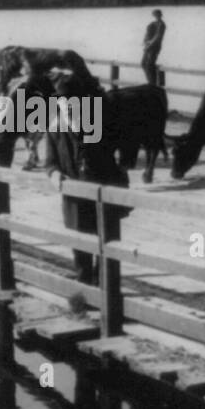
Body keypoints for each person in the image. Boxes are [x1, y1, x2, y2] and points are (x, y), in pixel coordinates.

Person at [42, 70, 131, 285]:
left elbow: (122, 149)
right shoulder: (55, 130)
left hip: (102, 196)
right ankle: (84, 289)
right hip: (75, 199)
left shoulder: (101, 123)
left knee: (107, 247)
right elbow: (50, 162)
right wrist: (53, 174)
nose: (68, 107)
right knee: (80, 246)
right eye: (63, 103)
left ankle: (107, 292)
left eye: (74, 102)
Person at [141, 9, 165, 85]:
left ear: (160, 15)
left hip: (155, 47)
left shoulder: (162, 25)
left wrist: (149, 44)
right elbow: (147, 34)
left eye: (157, 15)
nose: (156, 16)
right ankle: (150, 81)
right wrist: (145, 42)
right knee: (143, 63)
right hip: (148, 46)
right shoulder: (152, 23)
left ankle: (152, 83)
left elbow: (157, 37)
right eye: (155, 15)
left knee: (150, 64)